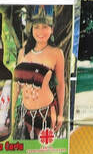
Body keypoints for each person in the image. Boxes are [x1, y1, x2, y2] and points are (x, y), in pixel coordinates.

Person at [13, 11, 67, 140]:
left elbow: (60, 85)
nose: (40, 32)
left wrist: (61, 114)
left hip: (46, 113)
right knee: (24, 152)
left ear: (52, 30)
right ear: (31, 29)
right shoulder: (23, 53)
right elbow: (16, 86)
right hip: (24, 113)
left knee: (44, 153)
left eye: (45, 27)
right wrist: (10, 109)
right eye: (36, 27)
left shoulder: (56, 53)